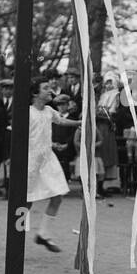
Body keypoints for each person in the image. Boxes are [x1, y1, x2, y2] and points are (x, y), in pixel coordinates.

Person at [25, 78, 83, 251]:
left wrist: (79, 123)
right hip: (31, 161)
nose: (50, 91)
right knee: (25, 202)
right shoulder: (27, 112)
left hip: (48, 159)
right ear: (35, 93)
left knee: (57, 195)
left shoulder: (49, 110)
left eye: (50, 88)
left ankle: (43, 234)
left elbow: (61, 121)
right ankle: (16, 235)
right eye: (45, 88)